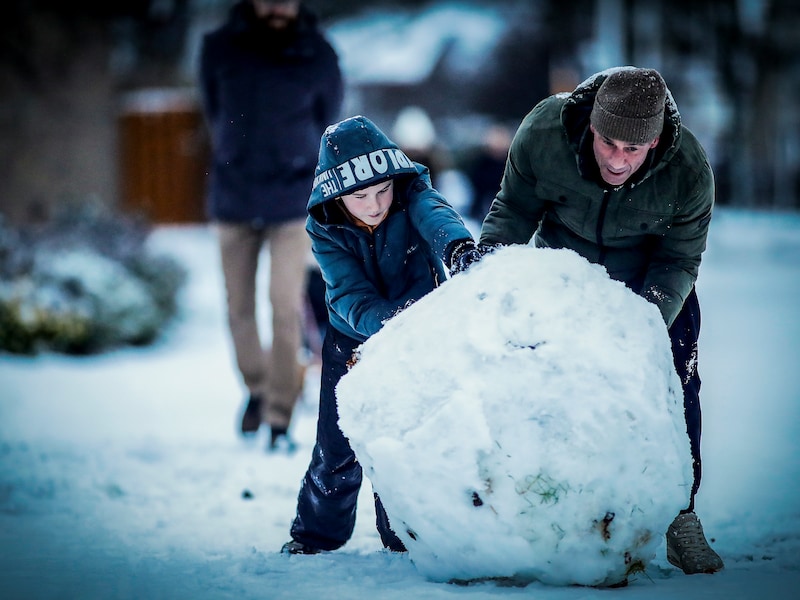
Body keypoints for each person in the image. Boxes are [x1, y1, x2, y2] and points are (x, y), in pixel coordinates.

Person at [478, 67, 724, 576]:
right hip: (563, 271)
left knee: (674, 384)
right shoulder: (544, 133)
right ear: (591, 123)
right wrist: (486, 280)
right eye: (607, 142)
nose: (617, 159)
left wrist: (643, 323)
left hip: (651, 281)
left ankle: (680, 512)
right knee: (544, 386)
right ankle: (547, 505)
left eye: (633, 149)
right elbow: (513, 211)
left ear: (654, 141)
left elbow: (679, 260)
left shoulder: (690, 172)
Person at [281, 115, 481, 555]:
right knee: (337, 447)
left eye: (382, 190)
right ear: (337, 194)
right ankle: (315, 536)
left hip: (420, 339)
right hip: (352, 341)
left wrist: (458, 249)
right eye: (360, 196)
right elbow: (348, 295)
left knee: (407, 439)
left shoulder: (412, 196)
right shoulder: (323, 226)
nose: (374, 205)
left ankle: (405, 534)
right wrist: (396, 322)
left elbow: (438, 217)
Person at [198, 0, 343, 450]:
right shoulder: (219, 47)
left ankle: (280, 413)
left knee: (284, 305)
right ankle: (257, 390)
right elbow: (213, 111)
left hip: (293, 199)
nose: (278, 6)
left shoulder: (318, 52)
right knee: (237, 307)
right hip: (233, 196)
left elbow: (327, 117)